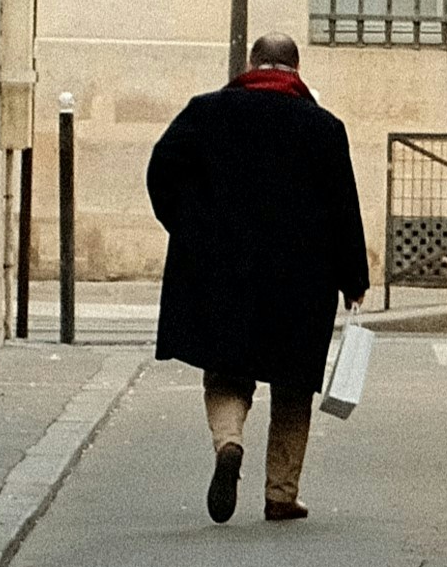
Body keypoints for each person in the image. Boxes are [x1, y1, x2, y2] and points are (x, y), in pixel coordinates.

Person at [145, 37, 371, 526]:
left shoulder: (205, 113)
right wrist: (354, 277)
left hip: (221, 269)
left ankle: (229, 443)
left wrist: (187, 229)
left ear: (250, 65)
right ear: (296, 68)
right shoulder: (324, 128)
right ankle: (280, 495)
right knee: (293, 385)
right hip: (301, 280)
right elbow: (342, 208)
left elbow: (161, 170)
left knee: (226, 370)